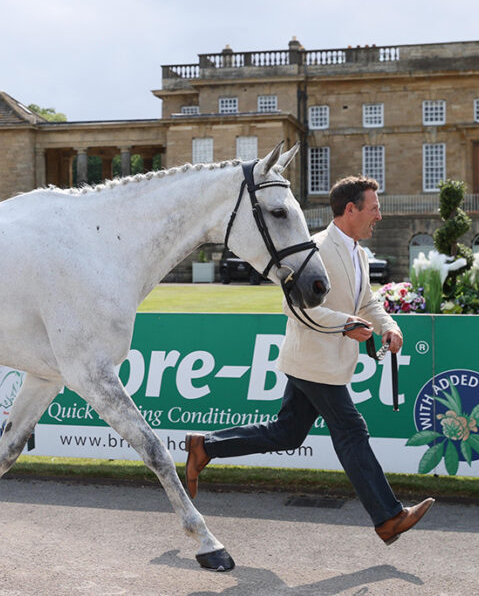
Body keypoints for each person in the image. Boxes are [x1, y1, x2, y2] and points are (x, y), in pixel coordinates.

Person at [184, 175, 434, 546]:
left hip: (321, 363)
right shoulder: (313, 248)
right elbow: (295, 306)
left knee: (288, 432)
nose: (378, 216)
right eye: (374, 208)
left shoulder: (359, 253)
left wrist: (388, 326)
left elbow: (366, 302)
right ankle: (388, 517)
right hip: (315, 362)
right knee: (352, 432)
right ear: (351, 210)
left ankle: (206, 446)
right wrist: (345, 324)